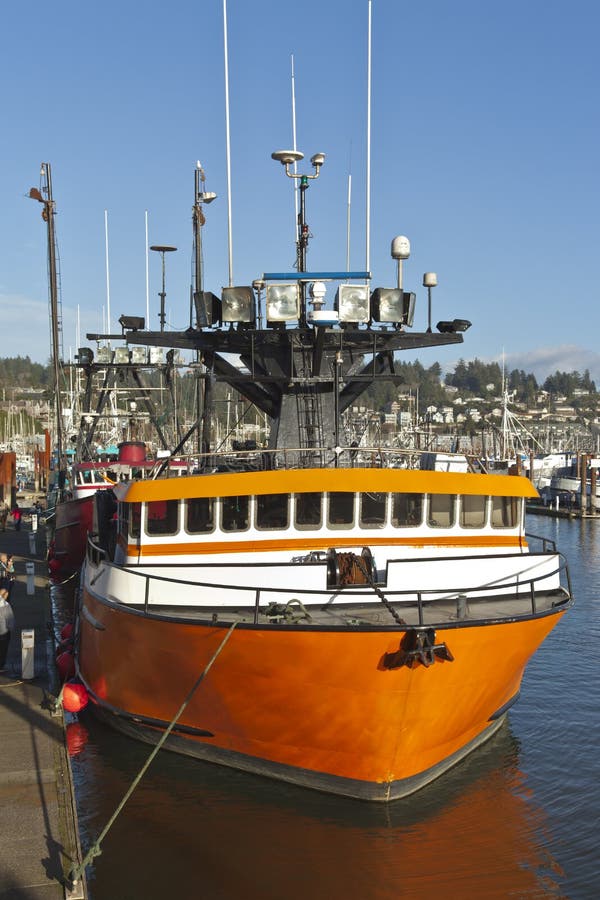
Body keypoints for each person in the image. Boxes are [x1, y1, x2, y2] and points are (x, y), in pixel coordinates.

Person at [0, 587, 15, 671]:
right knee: (3, 649)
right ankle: (1, 666)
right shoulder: (6, 605)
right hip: (3, 632)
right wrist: (11, 628)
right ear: (5, 595)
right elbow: (10, 620)